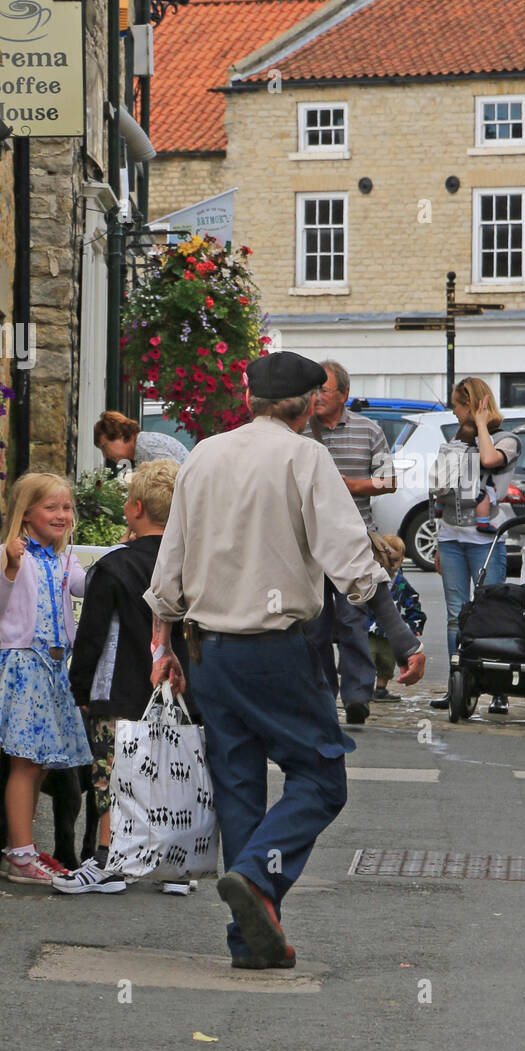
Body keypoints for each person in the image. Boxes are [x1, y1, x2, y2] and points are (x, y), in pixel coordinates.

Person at [146, 350, 426, 970]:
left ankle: (250, 939)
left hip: (209, 653)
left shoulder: (202, 458)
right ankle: (258, 879)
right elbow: (351, 559)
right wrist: (402, 640)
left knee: (240, 789)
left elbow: (170, 566)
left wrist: (161, 646)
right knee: (322, 778)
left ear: (252, 401)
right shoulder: (306, 458)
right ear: (304, 409)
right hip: (279, 653)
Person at [58, 460, 195, 895]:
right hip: (179, 687)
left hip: (116, 688)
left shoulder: (114, 568)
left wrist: (78, 687)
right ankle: (175, 867)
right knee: (169, 773)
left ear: (134, 508)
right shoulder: (192, 564)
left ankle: (109, 859)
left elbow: (92, 635)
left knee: (112, 774)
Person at [0, 473, 92, 885]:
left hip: (54, 669)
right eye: (52, 507)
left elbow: (85, 585)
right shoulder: (5, 556)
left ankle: (19, 847)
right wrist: (9, 567)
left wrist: (126, 555)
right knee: (25, 764)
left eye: (66, 507)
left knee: (38, 765)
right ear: (26, 514)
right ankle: (19, 854)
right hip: (24, 664)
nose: (62, 515)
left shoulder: (62, 559)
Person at [306, 359, 398, 726]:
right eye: (312, 391)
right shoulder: (299, 432)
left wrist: (351, 486)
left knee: (351, 620)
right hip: (311, 543)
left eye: (323, 391)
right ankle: (323, 695)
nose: (316, 398)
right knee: (313, 625)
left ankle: (358, 696)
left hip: (356, 541)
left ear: (343, 394)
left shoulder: (368, 430)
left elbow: (388, 481)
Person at [428, 376, 520, 714]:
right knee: (455, 615)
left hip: (486, 540)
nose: (453, 412)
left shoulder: (507, 439)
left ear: (473, 405)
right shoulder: (455, 439)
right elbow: (441, 490)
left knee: (490, 611)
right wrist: (439, 540)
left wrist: (481, 424)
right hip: (452, 537)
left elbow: (490, 460)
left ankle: (497, 687)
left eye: (457, 405)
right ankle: (459, 682)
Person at [366, 534, 427, 703]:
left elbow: (413, 603)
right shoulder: (369, 578)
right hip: (368, 630)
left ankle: (381, 689)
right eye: (388, 559)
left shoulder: (401, 583)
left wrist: (415, 625)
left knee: (387, 661)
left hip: (390, 634)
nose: (393, 564)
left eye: (397, 560)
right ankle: (364, 687)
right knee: (367, 658)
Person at [94, 409, 189, 469]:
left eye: (104, 446)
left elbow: (174, 478)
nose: (105, 455)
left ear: (120, 435)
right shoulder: (139, 448)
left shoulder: (144, 447)